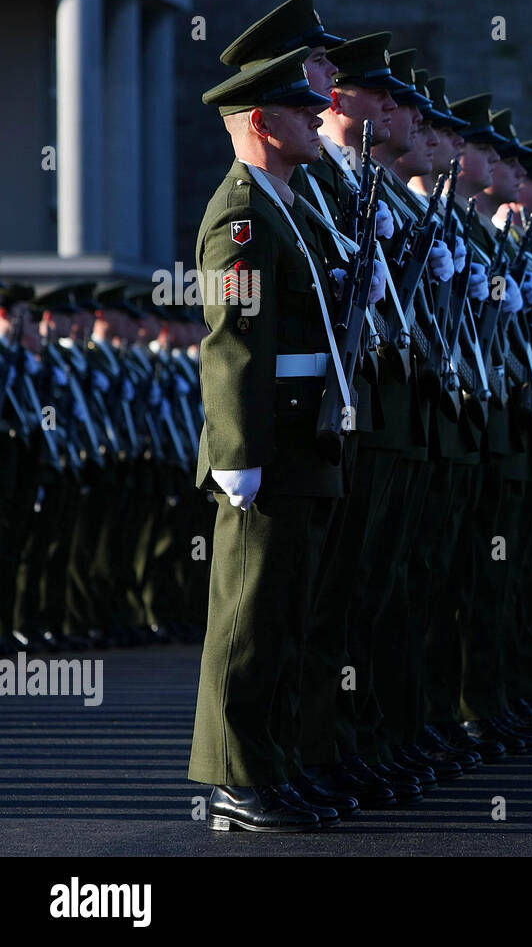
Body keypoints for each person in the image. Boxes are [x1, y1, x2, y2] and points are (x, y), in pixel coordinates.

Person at [188, 46, 364, 832]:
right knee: (249, 618)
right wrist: (235, 454)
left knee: (289, 612)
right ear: (262, 122)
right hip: (268, 441)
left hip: (304, 435)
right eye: (301, 109)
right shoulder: (242, 216)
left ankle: (275, 765)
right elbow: (233, 343)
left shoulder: (286, 204)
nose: (317, 117)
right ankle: (233, 779)